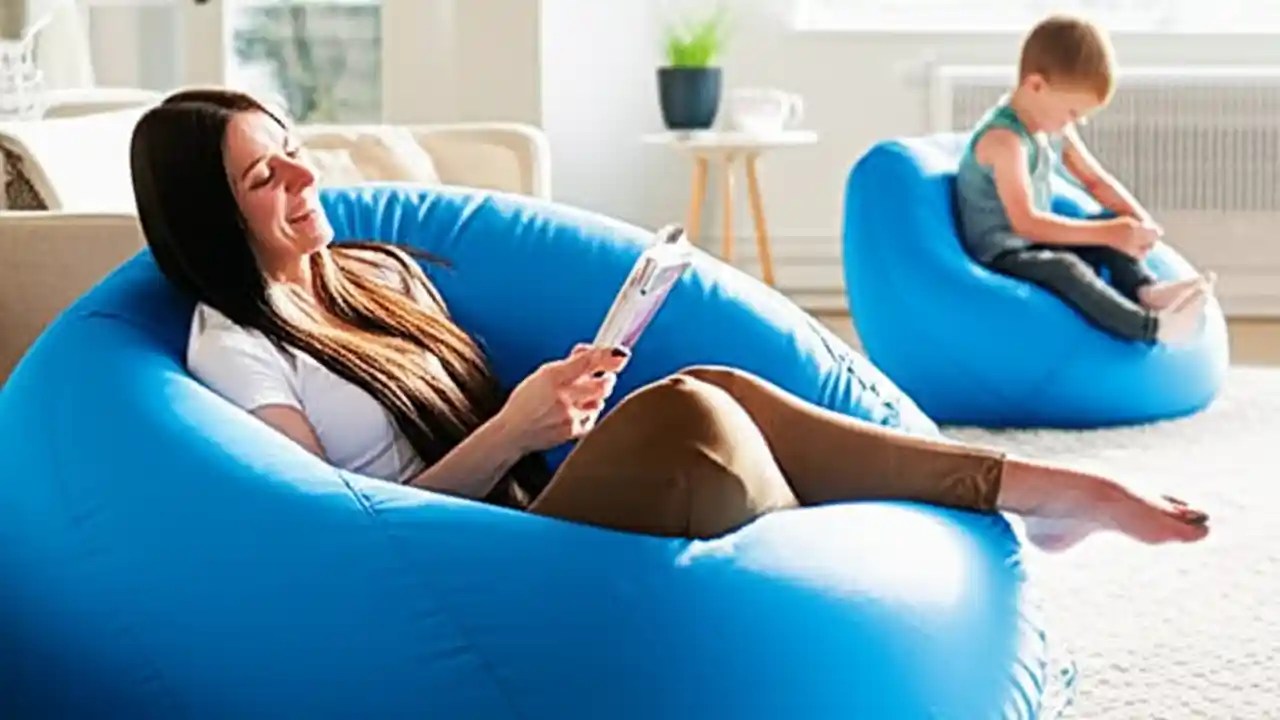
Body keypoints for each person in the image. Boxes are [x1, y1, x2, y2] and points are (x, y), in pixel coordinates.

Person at [128, 87, 1209, 553]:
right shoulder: (236, 350)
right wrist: (511, 429)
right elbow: (331, 529)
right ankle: (1036, 494)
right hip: (470, 546)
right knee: (698, 420)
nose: (304, 174)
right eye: (264, 175)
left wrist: (553, 410)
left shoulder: (368, 274)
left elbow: (461, 411)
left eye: (292, 145)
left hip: (529, 493)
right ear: (210, 215)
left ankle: (1044, 494)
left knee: (718, 400)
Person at [955, 14, 1213, 345]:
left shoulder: (1052, 127)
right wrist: (1108, 234)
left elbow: (1094, 180)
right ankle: (1151, 329)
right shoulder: (1005, 141)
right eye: (1073, 112)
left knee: (1109, 222)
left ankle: (1146, 290)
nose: (1074, 122)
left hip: (1034, 243)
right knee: (1065, 268)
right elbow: (1025, 223)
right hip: (1001, 252)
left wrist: (1136, 220)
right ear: (1036, 86)